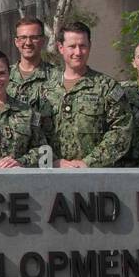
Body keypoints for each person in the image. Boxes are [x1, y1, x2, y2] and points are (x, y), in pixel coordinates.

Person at [32, 21, 133, 168]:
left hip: (96, 176)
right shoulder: (43, 90)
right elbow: (33, 131)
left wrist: (88, 163)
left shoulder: (107, 87)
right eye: (72, 46)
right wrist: (53, 161)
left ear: (90, 46)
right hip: (53, 175)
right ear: (61, 48)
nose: (78, 52)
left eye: (83, 46)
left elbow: (122, 131)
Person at [8, 17, 58, 103]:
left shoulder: (57, 77)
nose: (28, 43)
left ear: (43, 41)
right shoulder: (3, 77)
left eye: (34, 37)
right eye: (23, 38)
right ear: (16, 42)